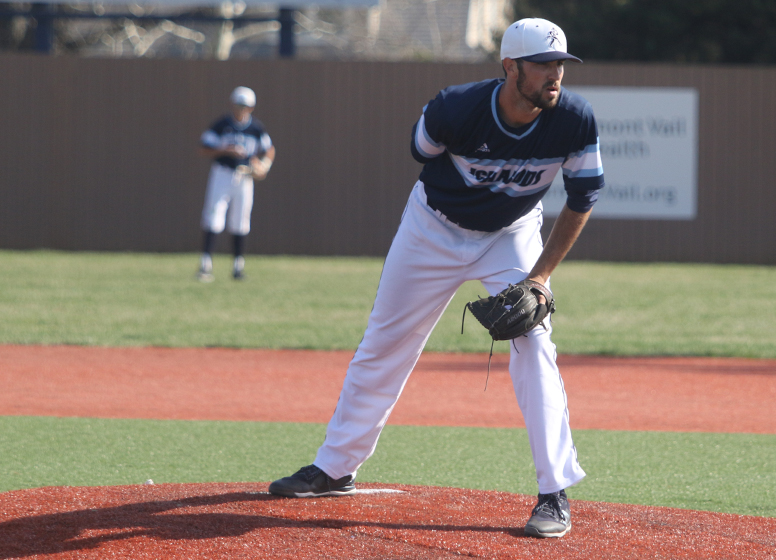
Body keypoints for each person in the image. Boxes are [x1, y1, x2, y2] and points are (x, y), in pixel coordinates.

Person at [269, 18, 604, 539]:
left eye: (560, 63)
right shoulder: (457, 107)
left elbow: (583, 197)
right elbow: (421, 149)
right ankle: (336, 468)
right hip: (432, 228)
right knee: (385, 342)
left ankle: (553, 492)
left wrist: (539, 277)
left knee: (534, 345)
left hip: (510, 234)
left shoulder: (575, 120)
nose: (554, 74)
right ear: (510, 67)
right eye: (542, 64)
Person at [196, 86, 275, 282]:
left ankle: (237, 266)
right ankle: (206, 264)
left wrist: (263, 165)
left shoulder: (255, 127)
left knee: (241, 220)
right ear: (233, 105)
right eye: (239, 105)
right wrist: (225, 149)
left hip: (244, 177)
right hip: (222, 173)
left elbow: (269, 149)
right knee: (214, 216)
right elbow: (204, 148)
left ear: (252, 107)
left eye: (245, 106)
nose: (241, 109)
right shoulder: (222, 125)